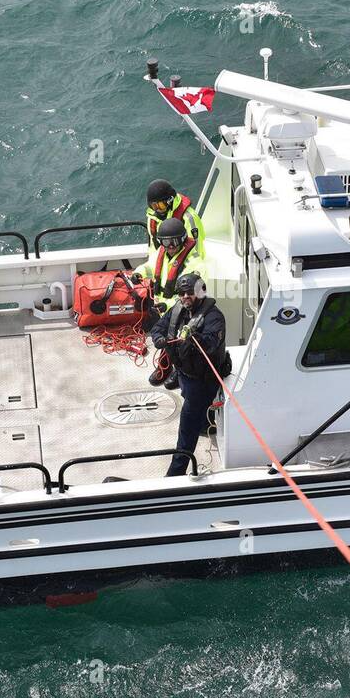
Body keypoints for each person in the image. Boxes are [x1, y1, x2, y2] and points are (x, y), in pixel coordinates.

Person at [150, 273, 229, 477]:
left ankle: (175, 474)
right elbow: (158, 328)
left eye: (190, 293)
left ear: (200, 292)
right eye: (182, 293)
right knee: (195, 411)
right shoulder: (177, 309)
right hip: (184, 373)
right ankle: (205, 424)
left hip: (204, 380)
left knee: (186, 429)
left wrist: (196, 338)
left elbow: (211, 344)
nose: (185, 296)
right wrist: (158, 338)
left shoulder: (214, 317)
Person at [138, 216, 203, 302]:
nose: (171, 247)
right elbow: (149, 267)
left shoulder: (195, 263)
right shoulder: (161, 252)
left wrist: (167, 306)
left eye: (174, 242)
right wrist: (138, 274)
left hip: (178, 310)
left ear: (182, 240)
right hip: (158, 303)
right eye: (166, 242)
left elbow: (190, 296)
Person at [145, 178, 204, 267]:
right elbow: (153, 248)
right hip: (164, 266)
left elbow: (197, 249)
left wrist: (191, 271)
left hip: (186, 265)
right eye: (154, 206)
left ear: (170, 201)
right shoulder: (152, 218)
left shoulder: (189, 218)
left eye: (161, 205)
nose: (158, 210)